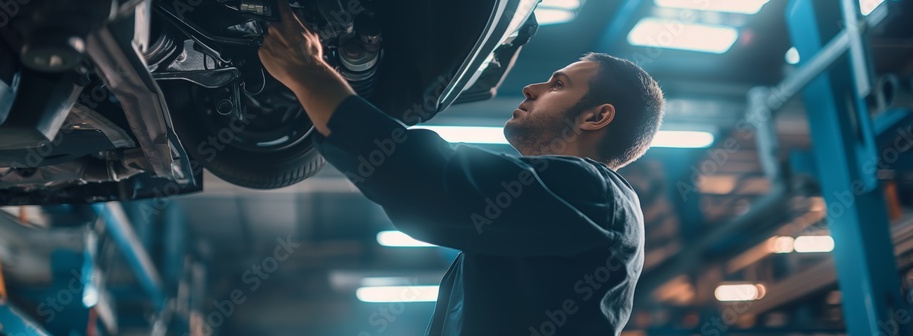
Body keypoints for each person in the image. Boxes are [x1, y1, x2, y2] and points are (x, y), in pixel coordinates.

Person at [257, 1, 664, 334]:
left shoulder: (594, 194)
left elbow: (426, 179)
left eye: (558, 85)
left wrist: (308, 72)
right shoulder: (575, 207)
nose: (531, 88)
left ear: (596, 117)